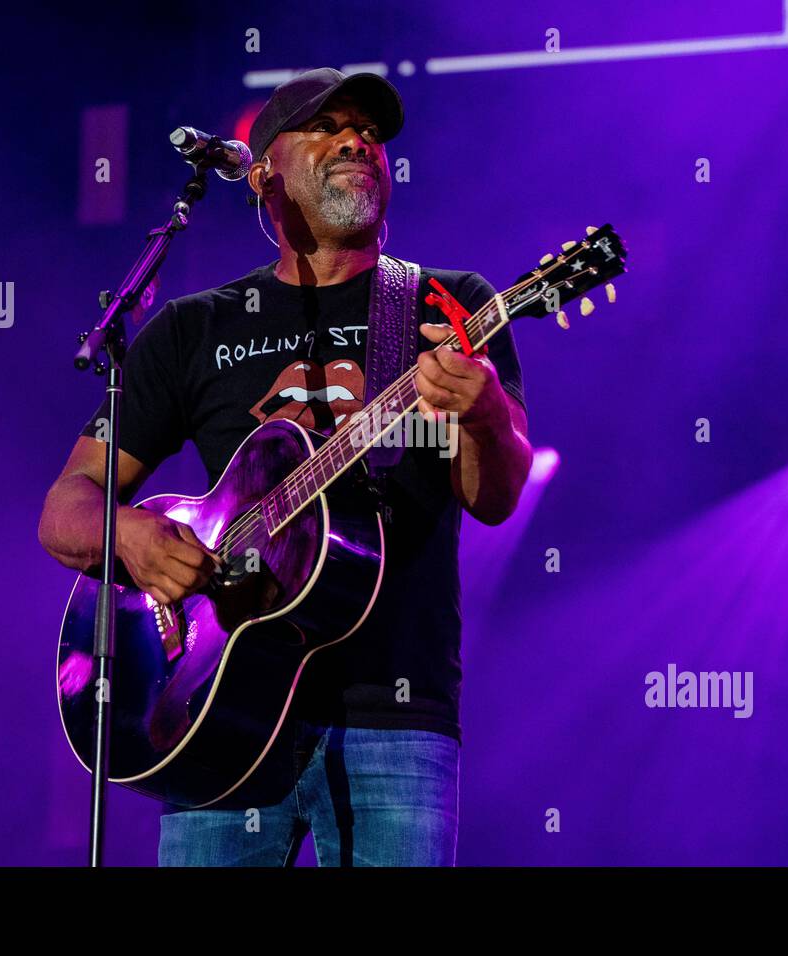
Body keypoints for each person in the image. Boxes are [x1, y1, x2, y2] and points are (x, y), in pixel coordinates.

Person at [38, 68, 532, 866]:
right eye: (328, 125)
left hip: (391, 719)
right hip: (212, 715)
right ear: (262, 171)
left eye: (370, 131)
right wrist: (129, 536)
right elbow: (64, 508)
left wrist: (480, 411)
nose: (357, 141)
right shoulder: (192, 329)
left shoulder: (449, 305)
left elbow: (499, 496)